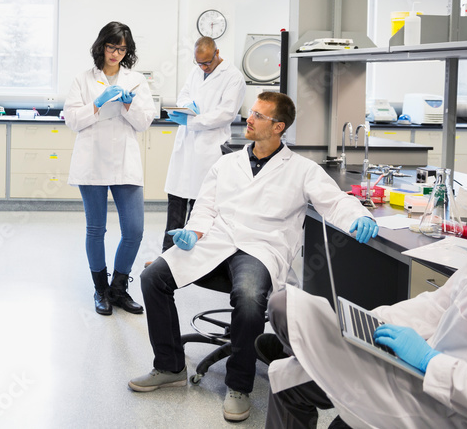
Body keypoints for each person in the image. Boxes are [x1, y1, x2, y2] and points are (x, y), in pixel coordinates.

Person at [260, 127, 467, 429]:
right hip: (425, 378)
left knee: (293, 354)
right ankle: (309, 347)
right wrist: (372, 321)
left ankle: (303, 349)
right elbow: (439, 305)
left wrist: (429, 360)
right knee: (292, 372)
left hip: (451, 409)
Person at [129, 92, 378, 423]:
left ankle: (238, 386)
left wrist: (360, 217)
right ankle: (169, 365)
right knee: (152, 278)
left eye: (259, 116)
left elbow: (335, 201)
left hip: (260, 248)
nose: (249, 118)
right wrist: (195, 231)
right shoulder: (227, 162)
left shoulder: (302, 169)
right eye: (252, 112)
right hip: (216, 243)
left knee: (248, 297)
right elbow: (205, 206)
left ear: (278, 127)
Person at [65, 21, 157, 316]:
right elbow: (72, 120)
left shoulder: (137, 80)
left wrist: (129, 106)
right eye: (111, 46)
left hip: (124, 162)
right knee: (96, 229)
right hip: (91, 161)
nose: (116, 53)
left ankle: (119, 288)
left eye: (122, 48)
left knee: (134, 230)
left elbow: (144, 123)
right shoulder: (83, 79)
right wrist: (98, 102)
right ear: (101, 45)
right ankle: (100, 290)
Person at [162, 36, 246, 252]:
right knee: (176, 199)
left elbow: (226, 114)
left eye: (207, 62)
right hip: (186, 144)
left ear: (217, 53)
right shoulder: (196, 71)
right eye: (199, 63)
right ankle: (167, 255)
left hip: (210, 147)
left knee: (201, 204)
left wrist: (192, 121)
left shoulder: (233, 77)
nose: (203, 67)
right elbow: (183, 95)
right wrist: (185, 106)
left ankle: (193, 254)